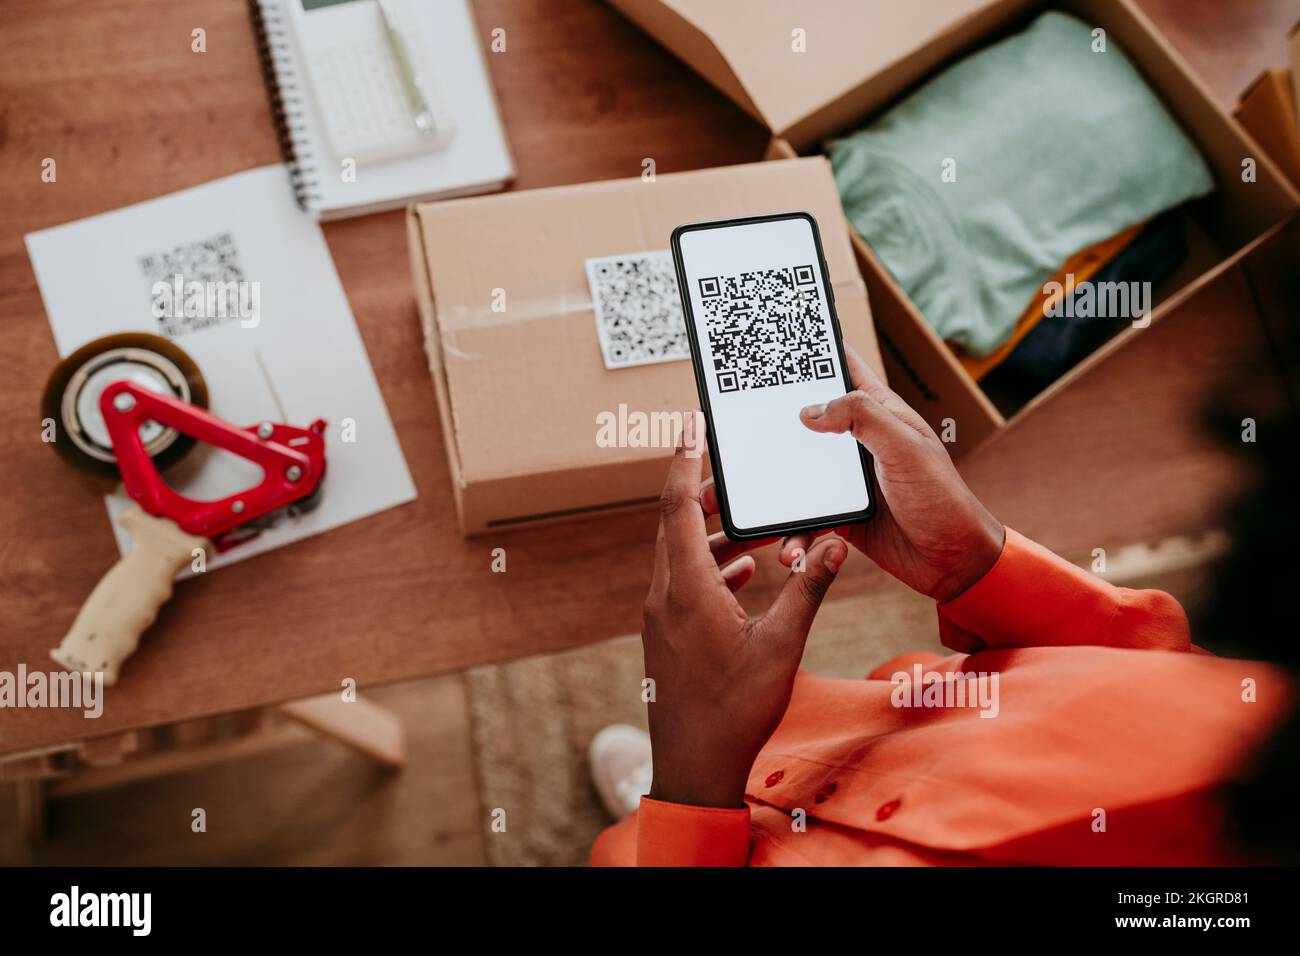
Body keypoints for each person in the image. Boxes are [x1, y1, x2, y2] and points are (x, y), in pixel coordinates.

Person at [588, 345, 1294, 866]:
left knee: (639, 844)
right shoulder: (1271, 713)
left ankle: (674, 810)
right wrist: (978, 563)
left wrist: (692, 787)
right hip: (891, 725)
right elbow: (1156, 666)